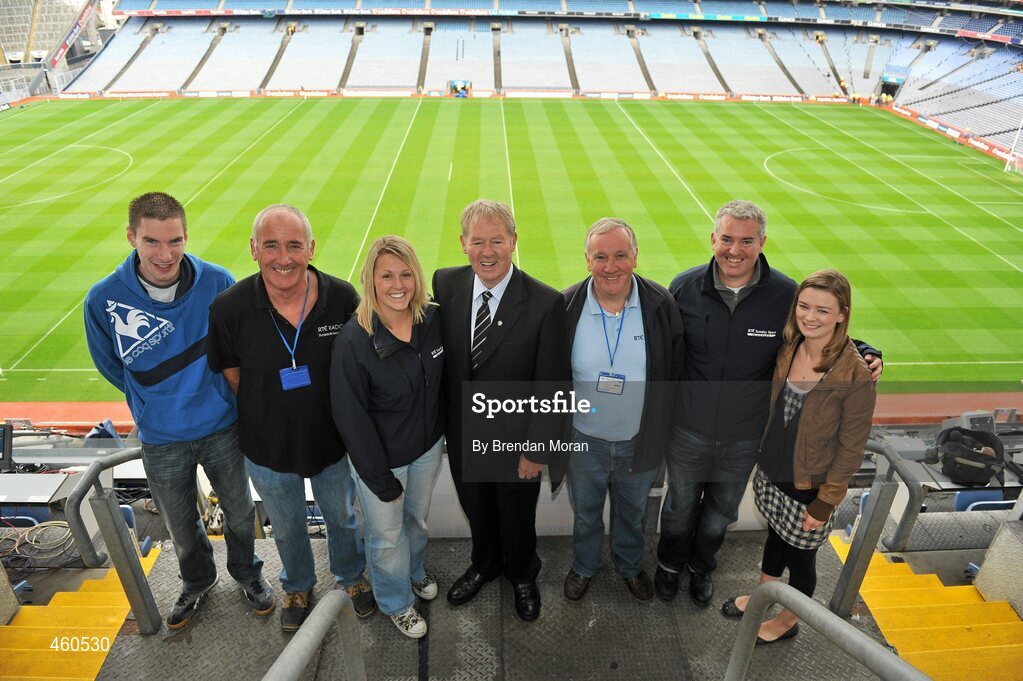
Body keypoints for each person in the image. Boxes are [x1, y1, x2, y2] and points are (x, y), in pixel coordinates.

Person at [655, 200, 882, 606]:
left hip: (745, 437)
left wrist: (865, 349)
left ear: (762, 243)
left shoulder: (784, 294)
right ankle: (670, 565)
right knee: (678, 508)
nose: (735, 250)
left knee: (719, 514)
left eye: (746, 241)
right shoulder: (684, 287)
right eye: (726, 239)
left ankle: (702, 568)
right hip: (687, 430)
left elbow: (821, 328)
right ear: (713, 239)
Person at [84, 192, 272, 629]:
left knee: (241, 512)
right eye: (152, 242)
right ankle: (197, 581)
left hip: (222, 424)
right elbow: (111, 365)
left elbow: (238, 348)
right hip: (161, 434)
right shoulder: (103, 299)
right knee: (179, 523)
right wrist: (153, 401)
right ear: (131, 237)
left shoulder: (218, 281)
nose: (165, 254)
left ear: (187, 236)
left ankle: (247, 575)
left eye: (175, 241)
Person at [206, 204, 375, 631]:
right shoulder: (229, 307)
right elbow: (231, 372)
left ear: (312, 248)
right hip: (267, 444)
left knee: (342, 518)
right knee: (286, 525)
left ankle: (352, 579)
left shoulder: (341, 298)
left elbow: (357, 367)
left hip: (331, 441)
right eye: (271, 245)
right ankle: (297, 584)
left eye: (294, 245)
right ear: (253, 249)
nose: (284, 257)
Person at [432, 199, 570, 621]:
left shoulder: (546, 303)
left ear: (513, 242)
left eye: (496, 240)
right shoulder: (446, 284)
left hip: (517, 443)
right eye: (477, 242)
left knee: (516, 515)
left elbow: (552, 386)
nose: (487, 251)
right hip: (463, 436)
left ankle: (522, 573)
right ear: (462, 244)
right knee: (477, 510)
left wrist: (536, 451)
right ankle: (485, 565)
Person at [722, 270, 875, 644]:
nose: (810, 316)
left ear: (842, 314)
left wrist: (826, 502)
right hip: (772, 472)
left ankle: (788, 621)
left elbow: (852, 448)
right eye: (804, 306)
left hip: (810, 488)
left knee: (802, 560)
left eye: (823, 310)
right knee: (776, 540)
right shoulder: (789, 346)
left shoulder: (856, 373)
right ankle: (763, 599)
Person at [560, 218, 684, 602]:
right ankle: (584, 566)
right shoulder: (565, 305)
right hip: (583, 442)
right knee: (585, 514)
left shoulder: (661, 304)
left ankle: (630, 566)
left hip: (639, 441)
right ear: (587, 260)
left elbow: (675, 372)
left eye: (620, 255)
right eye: (600, 257)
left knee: (632, 514)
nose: (610, 266)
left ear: (635, 257)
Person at [330, 236, 445, 639]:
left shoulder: (431, 320)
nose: (398, 284)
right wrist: (380, 479)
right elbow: (351, 418)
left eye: (405, 274)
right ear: (371, 281)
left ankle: (413, 574)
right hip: (381, 460)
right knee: (386, 538)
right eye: (387, 276)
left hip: (427, 450)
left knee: (415, 523)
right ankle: (395, 602)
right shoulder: (353, 340)